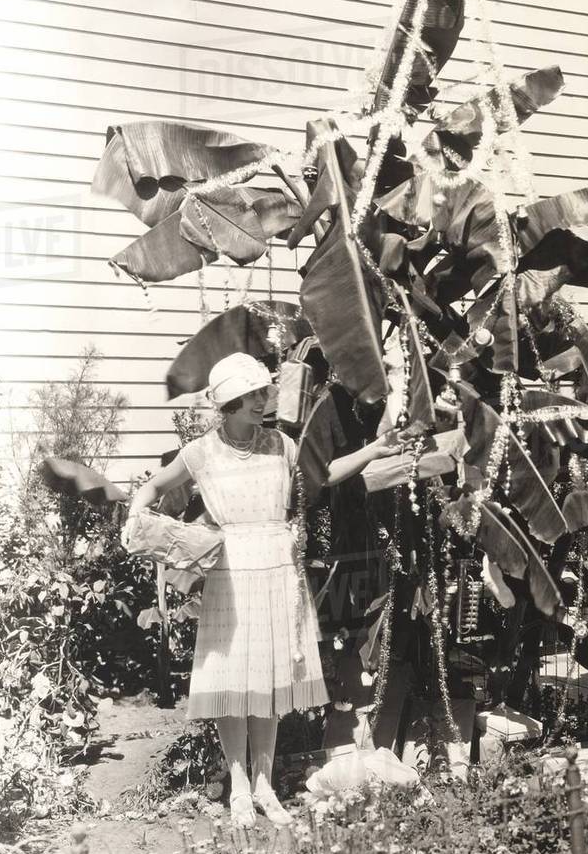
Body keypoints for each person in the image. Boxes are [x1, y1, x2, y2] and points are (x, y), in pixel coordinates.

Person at [125, 352, 405, 827]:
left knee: (270, 681)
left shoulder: (281, 443)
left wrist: (375, 450)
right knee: (234, 682)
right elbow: (153, 489)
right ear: (228, 403)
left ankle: (264, 785)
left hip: (278, 569)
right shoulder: (200, 452)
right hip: (230, 573)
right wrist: (137, 518)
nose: (261, 402)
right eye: (250, 395)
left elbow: (321, 475)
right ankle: (238, 786)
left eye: (262, 393)